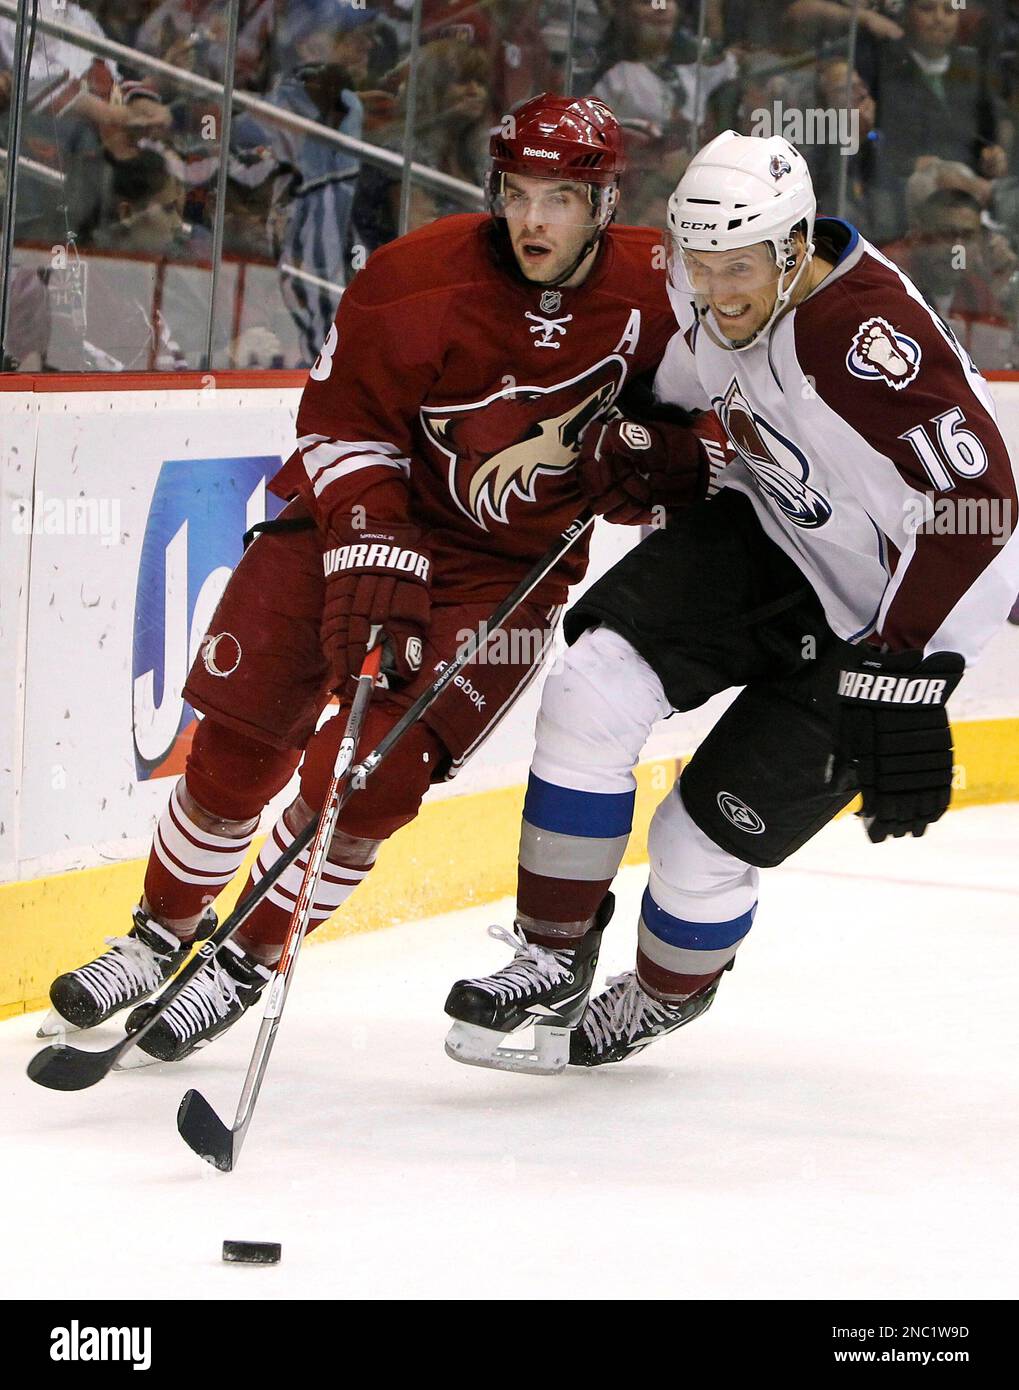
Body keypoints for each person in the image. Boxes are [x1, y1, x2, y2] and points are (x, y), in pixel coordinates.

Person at [41, 94, 730, 1060]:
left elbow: (723, 422)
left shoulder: (669, 295)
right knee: (236, 751)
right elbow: (335, 424)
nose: (533, 221)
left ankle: (246, 958)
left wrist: (666, 460)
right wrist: (372, 536)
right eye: (519, 194)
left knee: (367, 781)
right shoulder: (411, 277)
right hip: (346, 531)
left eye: (561, 199)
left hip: (503, 578)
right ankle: (159, 934)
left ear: (604, 203)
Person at [444, 129, 1019, 1074]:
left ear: (793, 250)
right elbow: (687, 370)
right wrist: (638, 431)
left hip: (892, 613)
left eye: (737, 270)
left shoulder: (866, 343)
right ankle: (550, 949)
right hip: (772, 539)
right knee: (592, 684)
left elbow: (979, 505)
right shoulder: (709, 270)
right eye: (699, 267)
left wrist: (905, 666)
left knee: (698, 841)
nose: (714, 292)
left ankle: (667, 993)